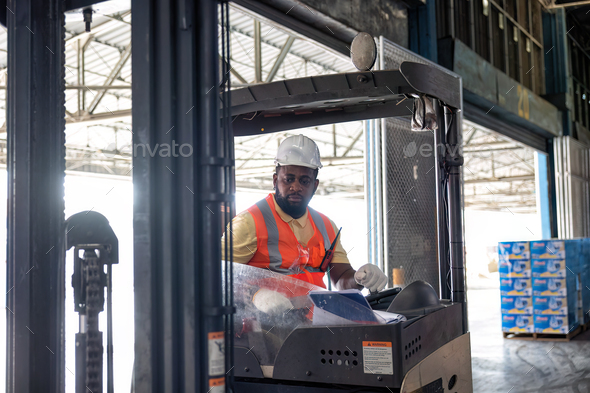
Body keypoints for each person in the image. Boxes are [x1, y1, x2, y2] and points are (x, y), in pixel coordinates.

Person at [222, 134, 388, 300]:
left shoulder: (326, 226)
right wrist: (256, 296)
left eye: (304, 181)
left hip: (316, 322)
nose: (296, 187)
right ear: (275, 180)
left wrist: (361, 278)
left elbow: (342, 277)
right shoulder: (249, 222)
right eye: (288, 179)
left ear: (315, 185)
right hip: (261, 324)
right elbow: (216, 275)